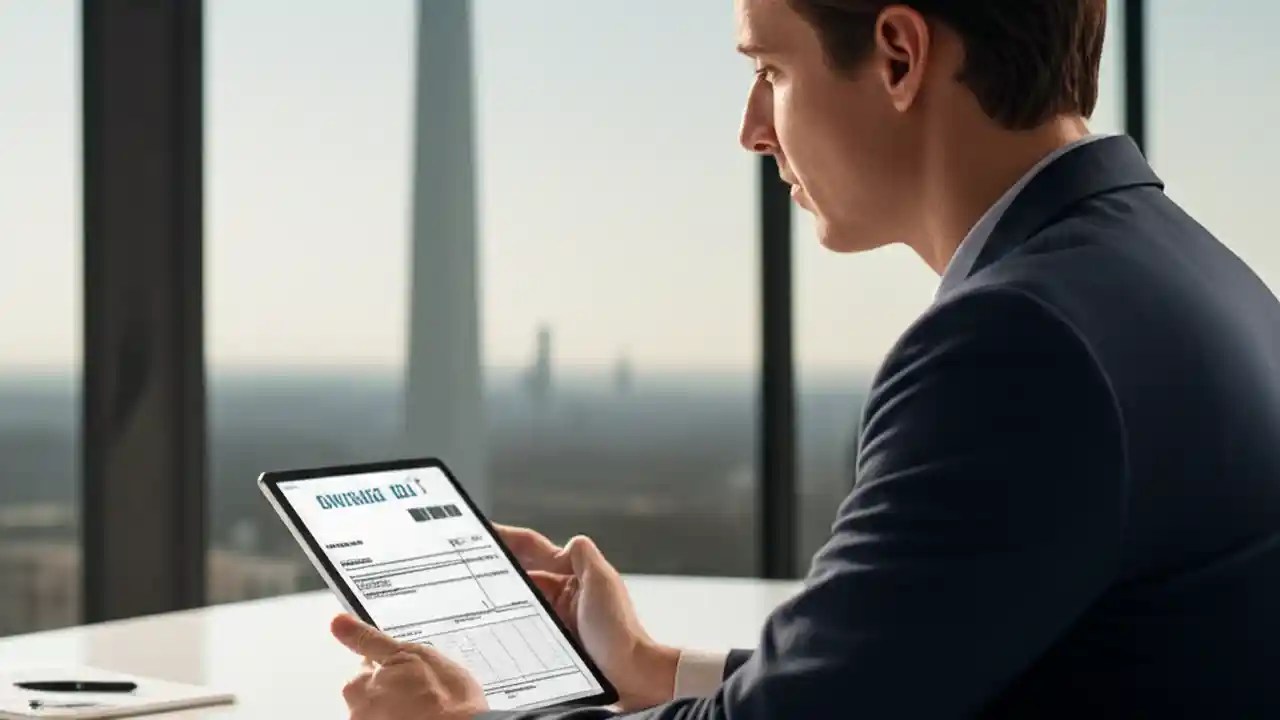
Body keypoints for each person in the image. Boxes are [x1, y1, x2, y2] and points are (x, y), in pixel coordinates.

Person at [330, 0, 1280, 717]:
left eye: (771, 70)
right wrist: (653, 670)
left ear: (898, 57)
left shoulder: (1012, 351)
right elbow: (901, 668)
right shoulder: (1195, 275)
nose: (751, 127)